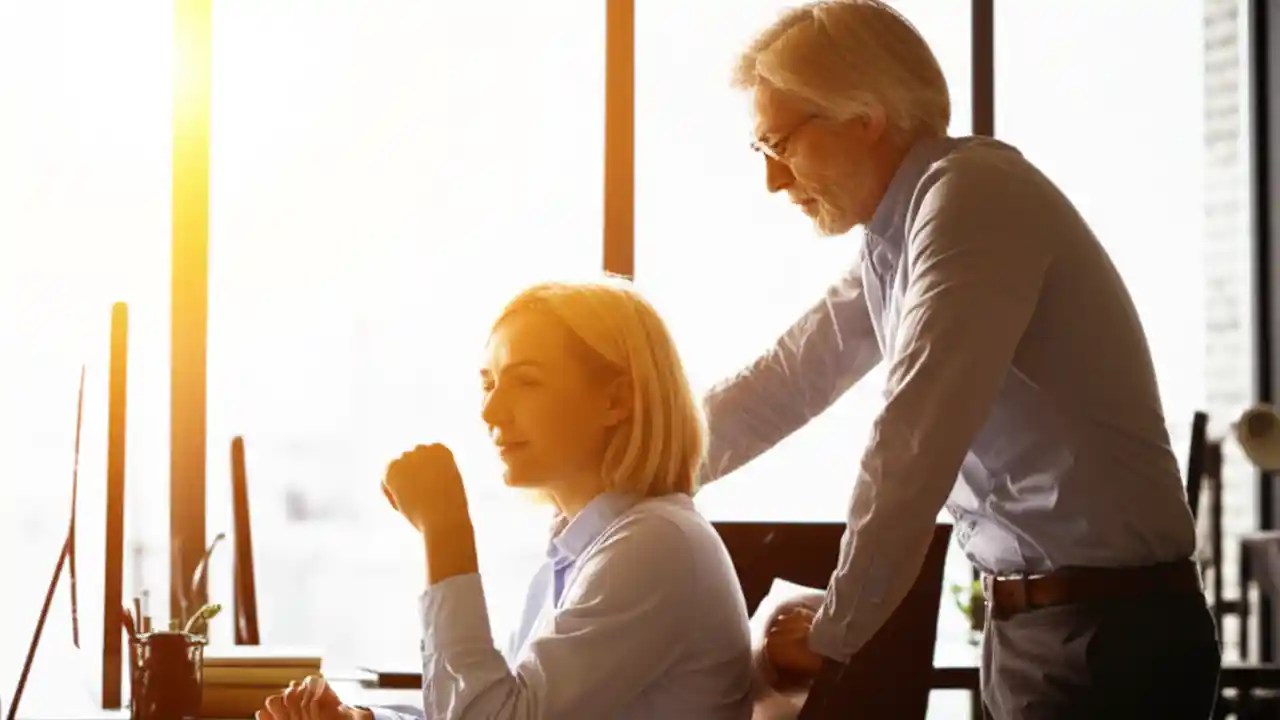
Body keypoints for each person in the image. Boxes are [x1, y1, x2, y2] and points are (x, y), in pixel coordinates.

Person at [704, 1, 1221, 717]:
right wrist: (639, 467)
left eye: (779, 144)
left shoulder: (973, 198)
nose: (773, 181)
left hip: (1108, 633)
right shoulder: (899, 235)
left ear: (863, 115)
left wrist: (836, 632)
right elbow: (792, 378)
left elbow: (914, 435)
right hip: (1034, 626)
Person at [256, 279, 753, 720]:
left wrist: (446, 528)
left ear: (615, 400)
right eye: (489, 384)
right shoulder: (586, 549)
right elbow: (497, 703)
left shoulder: (656, 546)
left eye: (525, 381)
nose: (491, 411)